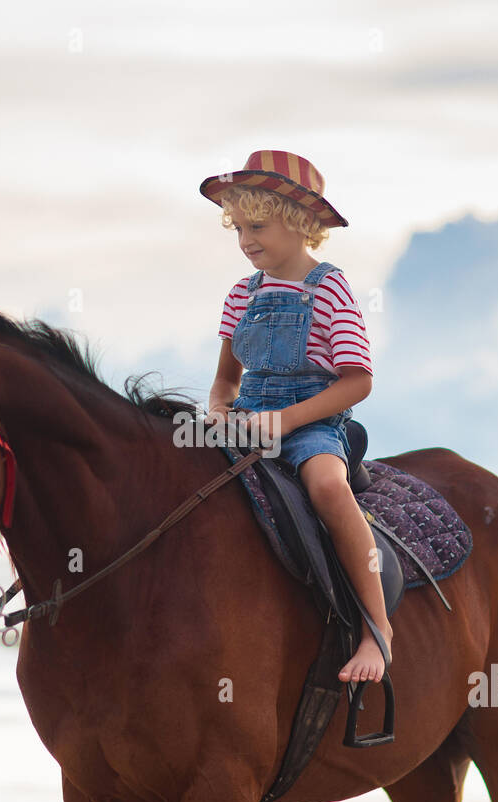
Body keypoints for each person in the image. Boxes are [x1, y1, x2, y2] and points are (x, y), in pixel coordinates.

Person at [199, 149, 392, 684]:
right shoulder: (242, 295)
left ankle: (377, 630)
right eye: (237, 228)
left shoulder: (329, 288)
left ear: (300, 222)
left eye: (257, 225)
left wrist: (284, 423)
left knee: (328, 487)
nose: (245, 240)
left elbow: (358, 380)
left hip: (311, 424)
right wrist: (219, 411)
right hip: (247, 417)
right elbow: (226, 379)